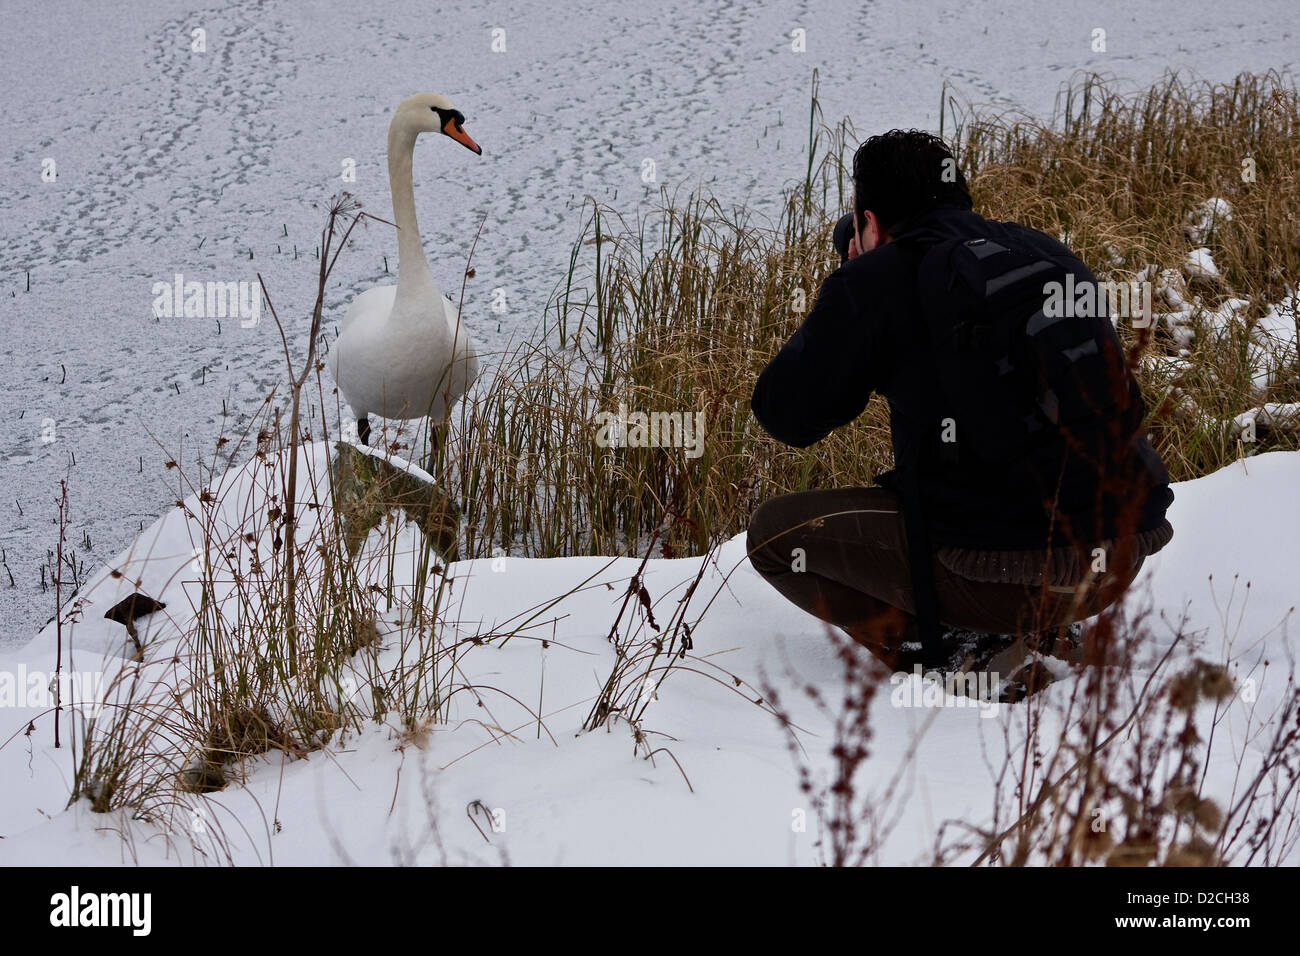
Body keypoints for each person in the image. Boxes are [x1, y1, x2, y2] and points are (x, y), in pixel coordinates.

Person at [746, 129, 1174, 690]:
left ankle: (967, 655)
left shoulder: (877, 278)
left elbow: (784, 413)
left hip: (1005, 576)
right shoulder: (1046, 252)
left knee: (773, 536)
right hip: (1123, 553)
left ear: (869, 221)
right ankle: (1039, 632)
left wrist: (850, 283)